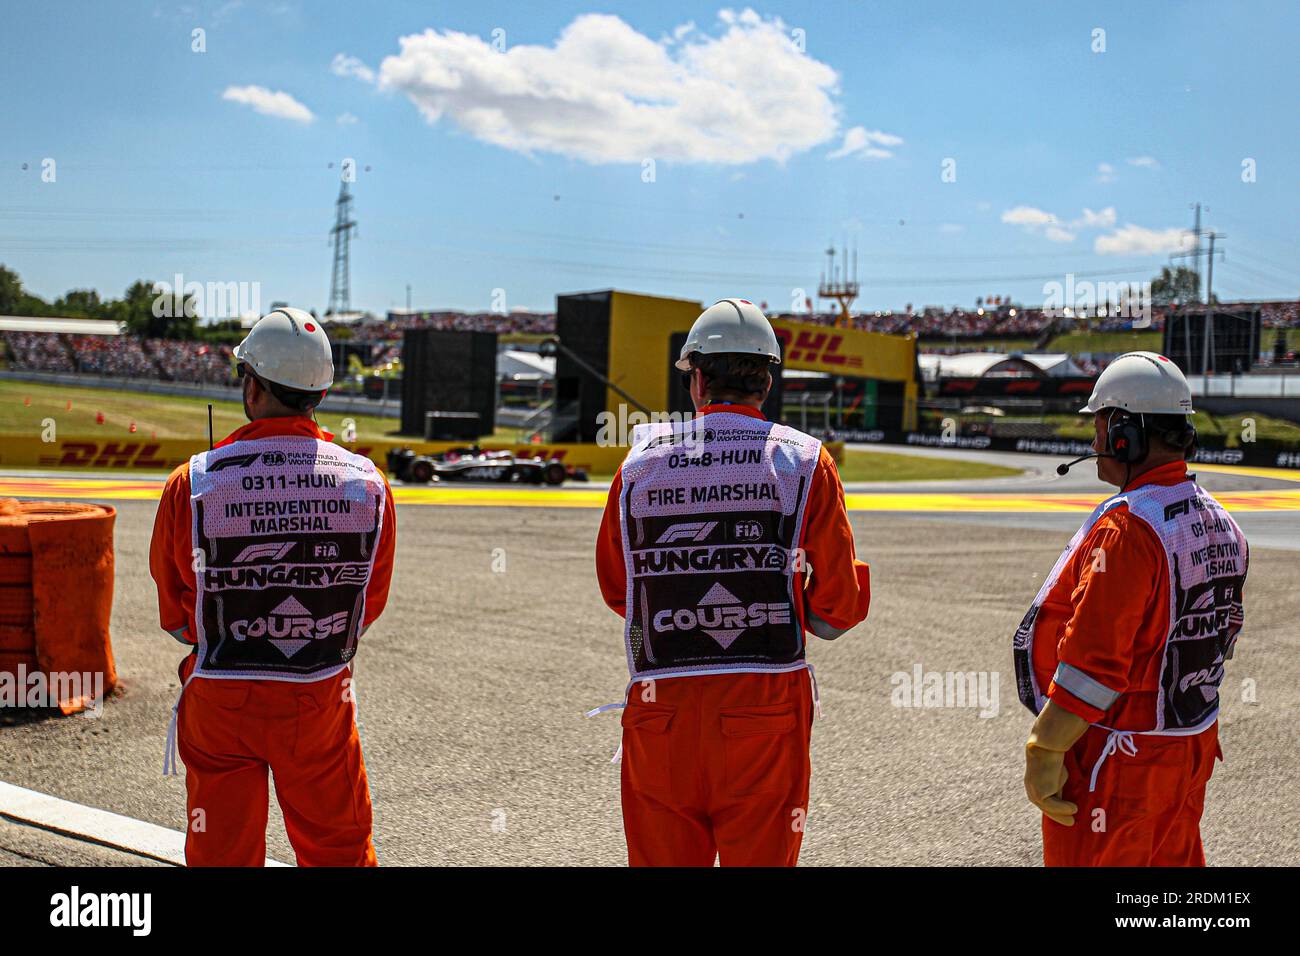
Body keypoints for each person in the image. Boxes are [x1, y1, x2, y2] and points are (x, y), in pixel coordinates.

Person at [595, 298, 871, 866]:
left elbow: (620, 588)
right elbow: (839, 606)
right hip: (766, 709)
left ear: (697, 380)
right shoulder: (804, 460)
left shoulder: (639, 463)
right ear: (766, 381)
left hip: (662, 708)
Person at [149, 308, 396, 866]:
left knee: (222, 853)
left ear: (253, 387)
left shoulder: (194, 481)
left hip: (220, 694)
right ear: (321, 393)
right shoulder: (368, 484)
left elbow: (175, 612)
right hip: (318, 694)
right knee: (339, 848)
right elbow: (367, 602)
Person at [1014, 351, 1248, 866]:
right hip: (1189, 743)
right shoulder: (1224, 522)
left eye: (1099, 426)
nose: (1094, 443)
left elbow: (1093, 663)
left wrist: (1046, 746)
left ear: (1125, 434)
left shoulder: (1128, 530)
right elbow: (1222, 634)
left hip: (1120, 760)